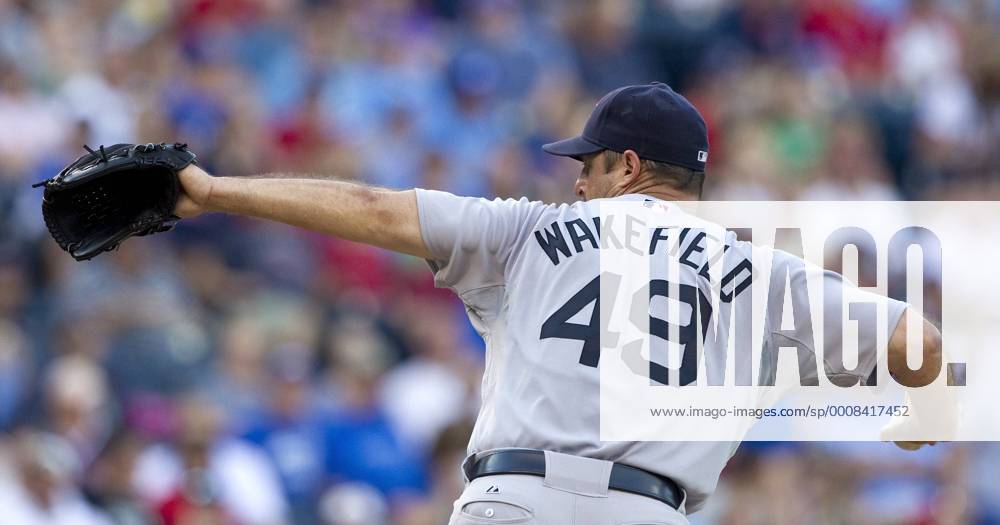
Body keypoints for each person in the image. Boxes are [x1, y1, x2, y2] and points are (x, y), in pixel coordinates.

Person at [173, 82, 944, 524]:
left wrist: (214, 191)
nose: (578, 181)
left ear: (630, 166)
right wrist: (920, 420)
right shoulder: (767, 275)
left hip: (517, 501)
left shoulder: (532, 230)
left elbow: (375, 207)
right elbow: (922, 343)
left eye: (591, 164)